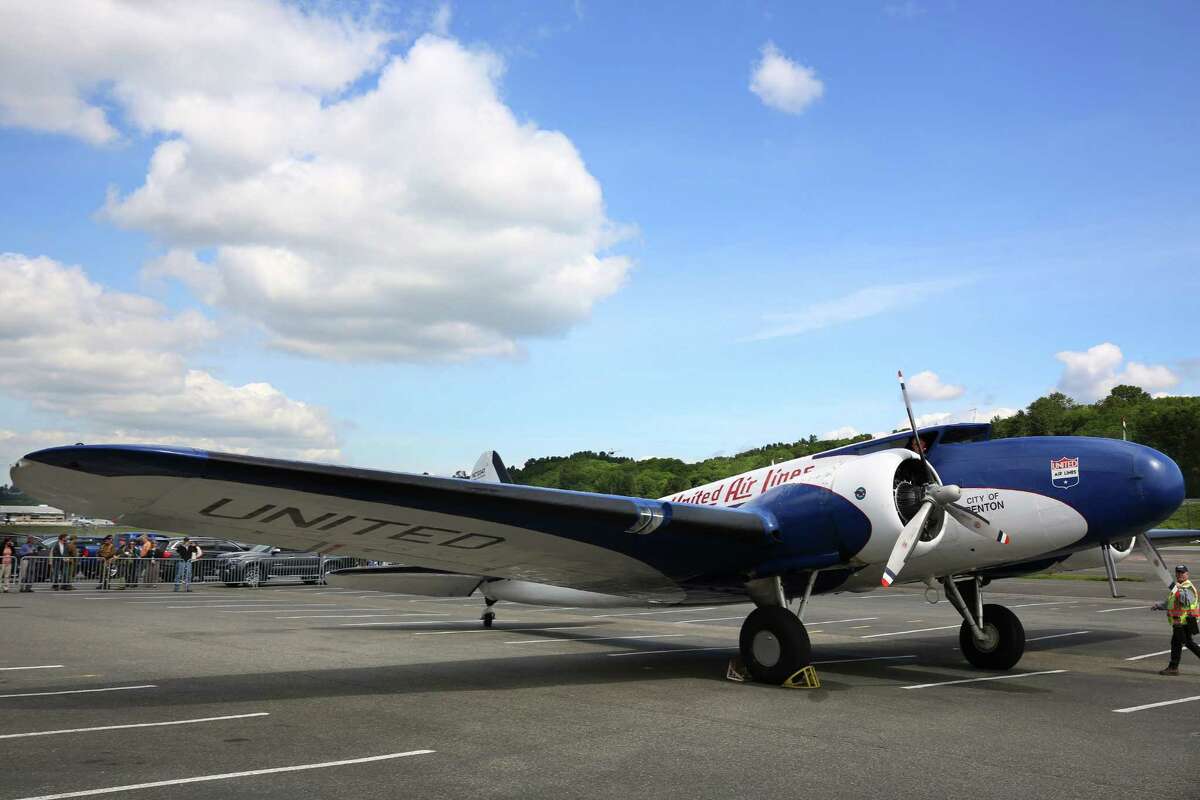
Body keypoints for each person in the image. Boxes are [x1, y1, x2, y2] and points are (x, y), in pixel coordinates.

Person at [1154, 564, 1200, 675]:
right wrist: (1158, 606)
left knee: (1185, 643)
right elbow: (1171, 603)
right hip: (1179, 621)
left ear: (1187, 574)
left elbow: (1186, 600)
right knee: (1179, 643)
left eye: (1182, 573)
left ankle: (1173, 667)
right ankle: (1173, 667)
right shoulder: (1179, 587)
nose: (1179, 574)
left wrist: (1178, 590)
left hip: (1184, 622)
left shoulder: (1187, 587)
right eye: (1178, 572)